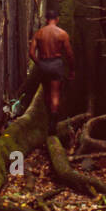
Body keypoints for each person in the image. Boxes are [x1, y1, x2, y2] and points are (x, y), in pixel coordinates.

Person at [29, 7, 75, 135]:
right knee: (55, 93)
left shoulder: (39, 33)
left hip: (44, 64)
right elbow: (69, 54)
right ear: (57, 19)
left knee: (47, 93)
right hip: (56, 64)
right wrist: (72, 70)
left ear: (46, 20)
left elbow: (31, 53)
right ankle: (53, 123)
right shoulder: (62, 33)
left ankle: (49, 117)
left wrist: (40, 63)